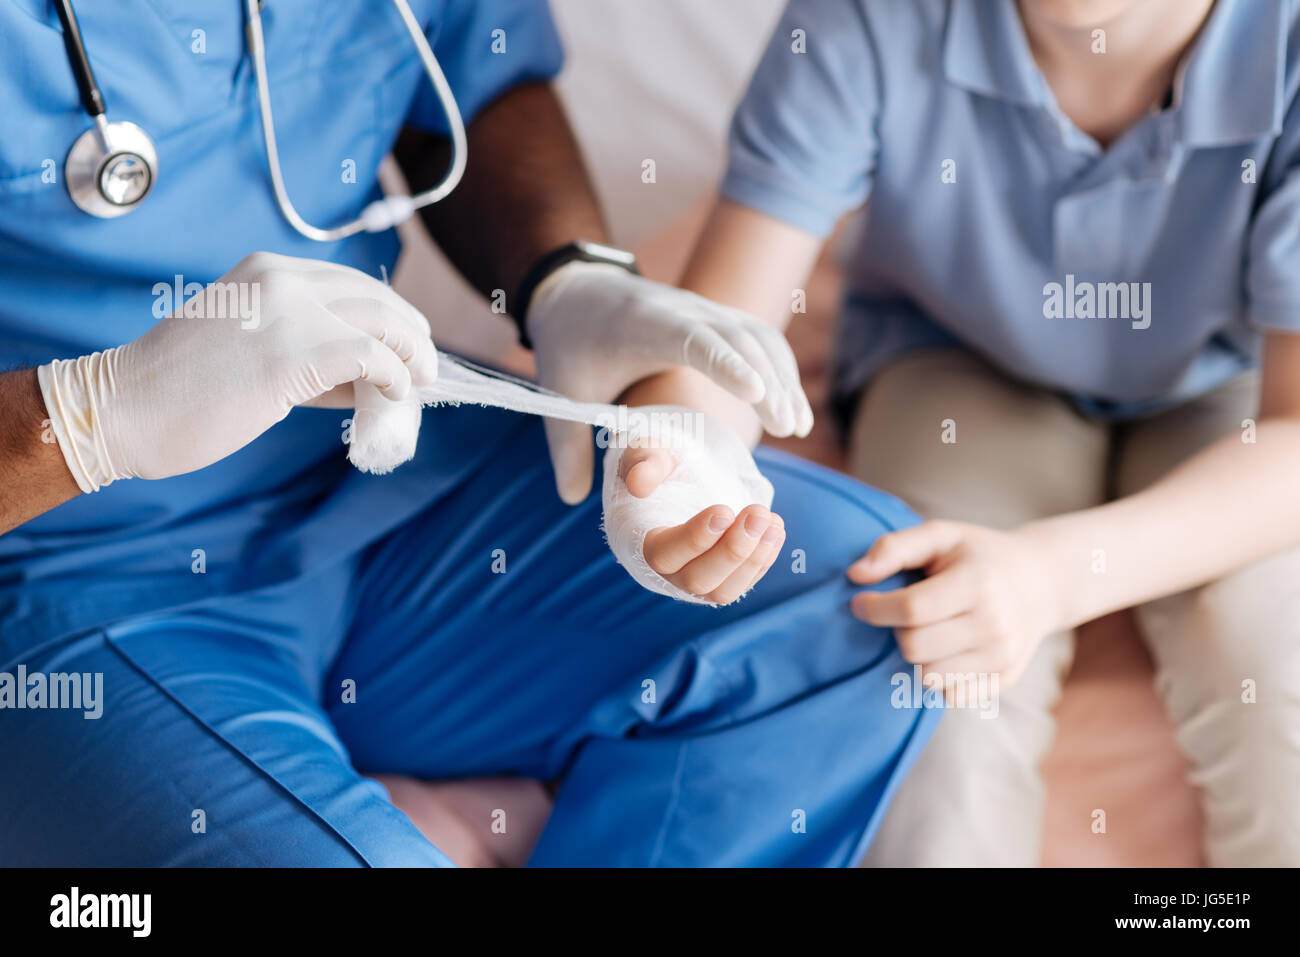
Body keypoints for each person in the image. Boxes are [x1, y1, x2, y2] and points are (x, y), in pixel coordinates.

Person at [0, 0, 938, 866]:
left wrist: (568, 278)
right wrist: (89, 419)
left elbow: (464, 69)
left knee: (865, 604)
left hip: (382, 454)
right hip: (76, 567)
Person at [676, 0, 1300, 866]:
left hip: (1229, 383)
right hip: (957, 360)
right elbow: (716, 354)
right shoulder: (863, 20)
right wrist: (679, 484)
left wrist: (1054, 574)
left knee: (1271, 658)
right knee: (930, 656)